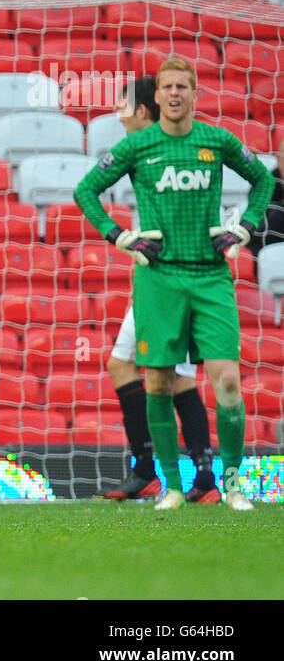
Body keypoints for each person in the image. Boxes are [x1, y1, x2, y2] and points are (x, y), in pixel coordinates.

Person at [74, 58, 273, 511]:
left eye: (184, 86)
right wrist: (120, 236)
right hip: (158, 278)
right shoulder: (139, 146)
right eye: (167, 87)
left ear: (195, 94)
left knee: (226, 384)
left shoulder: (216, 141)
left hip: (210, 277)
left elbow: (263, 180)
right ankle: (172, 488)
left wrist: (245, 226)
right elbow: (86, 190)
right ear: (158, 97)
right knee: (159, 382)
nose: (176, 93)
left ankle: (234, 485)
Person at [99, 76, 217, 502]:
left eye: (124, 106)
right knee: (123, 364)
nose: (118, 113)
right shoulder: (140, 151)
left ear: (144, 112)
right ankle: (149, 469)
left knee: (175, 374)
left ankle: (203, 480)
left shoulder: (168, 149)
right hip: (154, 279)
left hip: (181, 277)